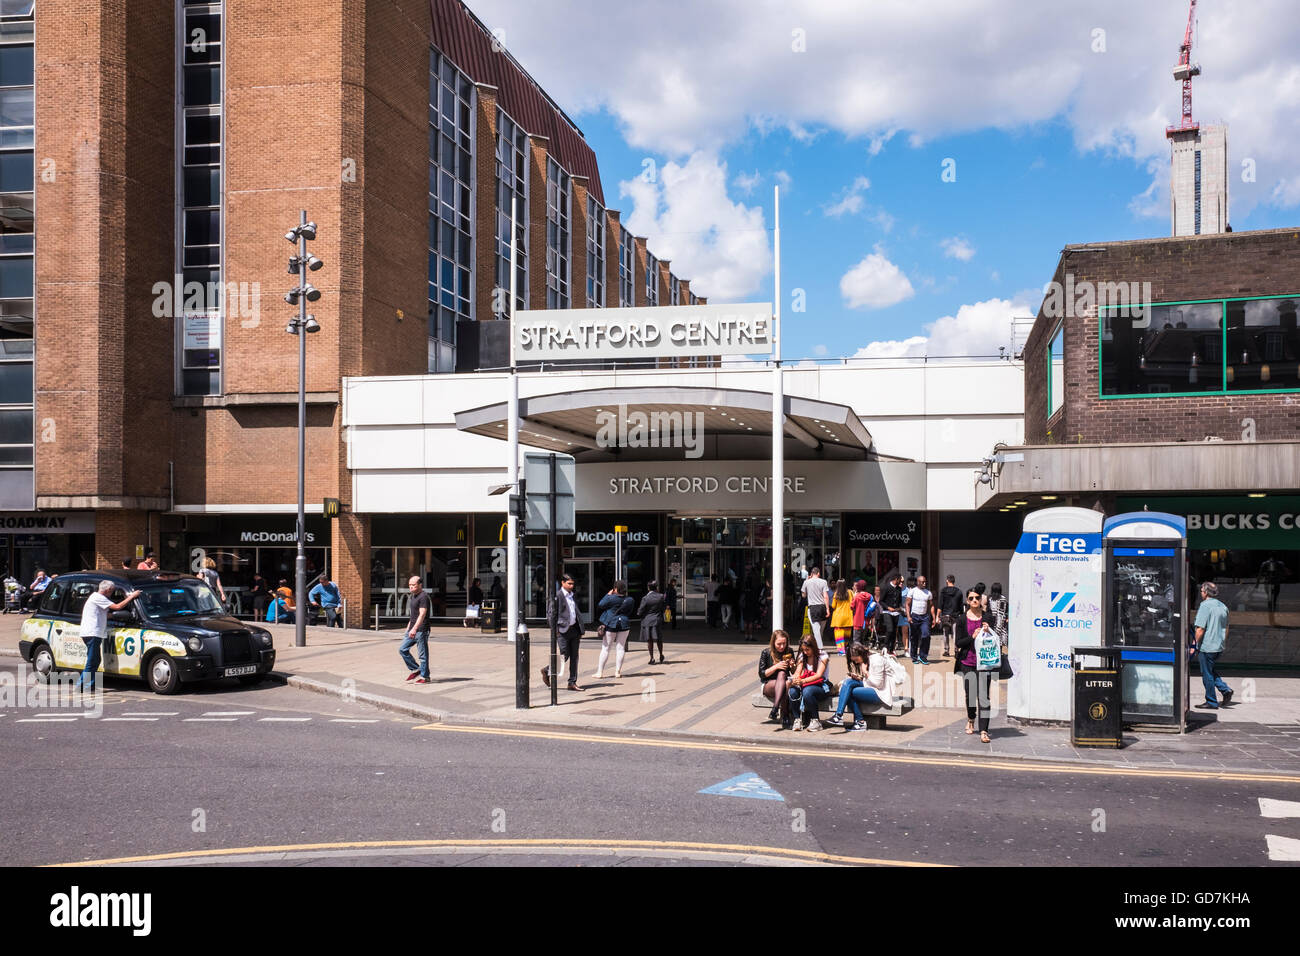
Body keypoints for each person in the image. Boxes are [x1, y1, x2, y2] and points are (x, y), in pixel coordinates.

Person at [77, 580, 142, 692]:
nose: (111, 594)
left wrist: (118, 616)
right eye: (111, 591)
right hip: (92, 633)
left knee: (96, 659)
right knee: (92, 660)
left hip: (91, 632)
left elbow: (105, 614)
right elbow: (117, 607)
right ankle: (81, 684)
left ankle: (90, 684)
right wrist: (132, 597)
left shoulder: (94, 597)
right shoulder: (99, 597)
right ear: (107, 590)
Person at [827, 641, 893, 731]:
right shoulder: (866, 659)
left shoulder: (877, 660)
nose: (855, 662)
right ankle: (839, 716)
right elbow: (870, 680)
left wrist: (865, 672)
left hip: (880, 693)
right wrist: (859, 678)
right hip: (870, 686)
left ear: (861, 654)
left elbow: (878, 684)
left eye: (856, 659)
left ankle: (858, 721)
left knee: (848, 692)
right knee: (848, 682)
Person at [956, 589, 994, 743]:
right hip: (968, 662)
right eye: (971, 598)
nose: (974, 600)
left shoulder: (988, 618)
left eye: (977, 598)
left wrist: (988, 630)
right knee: (971, 695)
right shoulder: (961, 619)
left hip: (985, 663)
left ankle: (984, 730)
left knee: (984, 697)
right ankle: (971, 719)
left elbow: (995, 639)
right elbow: (958, 642)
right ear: (967, 601)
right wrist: (972, 637)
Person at [1192, 581, 1233, 709]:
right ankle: (1225, 690)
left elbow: (1200, 629)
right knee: (1209, 670)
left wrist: (1193, 645)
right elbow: (1226, 627)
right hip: (1218, 646)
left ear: (1205, 592)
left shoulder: (1205, 606)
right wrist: (1222, 641)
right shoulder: (1222, 606)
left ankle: (1211, 701)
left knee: (1207, 674)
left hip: (1207, 646)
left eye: (1201, 591)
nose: (1200, 593)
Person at [542, 574, 584, 691]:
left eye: (572, 584)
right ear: (562, 583)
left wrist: (580, 629)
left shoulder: (573, 596)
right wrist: (555, 630)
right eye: (569, 583)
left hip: (574, 630)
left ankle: (572, 682)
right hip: (562, 630)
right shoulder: (557, 596)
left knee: (574, 657)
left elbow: (575, 612)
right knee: (564, 656)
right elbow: (550, 614)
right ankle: (547, 670)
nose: (571, 586)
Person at [787, 634, 830, 732]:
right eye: (803, 650)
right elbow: (798, 672)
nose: (805, 652)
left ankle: (816, 720)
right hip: (805, 685)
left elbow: (818, 675)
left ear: (813, 647)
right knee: (792, 691)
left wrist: (803, 681)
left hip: (821, 686)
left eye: (807, 650)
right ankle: (797, 719)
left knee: (807, 691)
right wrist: (794, 679)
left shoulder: (823, 656)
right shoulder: (803, 656)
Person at [595, 580, 635, 679]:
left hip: (611, 624)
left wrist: (608, 595)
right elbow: (630, 611)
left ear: (615, 589)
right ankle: (618, 671)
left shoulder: (611, 598)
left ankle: (600, 672)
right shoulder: (630, 599)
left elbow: (600, 605)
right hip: (624, 623)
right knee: (621, 648)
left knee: (606, 648)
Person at [758, 629, 797, 730]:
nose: (782, 646)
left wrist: (793, 665)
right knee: (782, 674)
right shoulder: (766, 653)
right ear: (773, 642)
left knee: (784, 676)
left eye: (784, 643)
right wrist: (776, 666)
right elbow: (762, 674)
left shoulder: (790, 651)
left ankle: (775, 709)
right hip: (769, 685)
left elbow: (794, 672)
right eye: (779, 644)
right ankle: (785, 715)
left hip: (785, 684)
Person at [399, 574, 431, 684]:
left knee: (422, 655)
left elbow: (422, 614)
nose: (411, 587)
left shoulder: (423, 597)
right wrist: (408, 628)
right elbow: (413, 615)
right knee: (402, 649)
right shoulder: (413, 596)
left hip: (421, 629)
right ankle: (415, 669)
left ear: (420, 585)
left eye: (413, 585)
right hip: (412, 629)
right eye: (409, 585)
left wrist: (414, 629)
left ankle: (425, 676)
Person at [906, 574, 936, 665]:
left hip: (925, 617)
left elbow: (931, 606)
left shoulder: (928, 593)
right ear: (918, 582)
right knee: (914, 637)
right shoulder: (912, 591)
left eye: (925, 582)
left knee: (926, 635)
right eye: (922, 582)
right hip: (914, 616)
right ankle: (914, 657)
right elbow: (907, 604)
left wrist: (934, 618)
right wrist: (908, 616)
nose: (924, 583)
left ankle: (923, 656)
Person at [801, 566, 830, 654]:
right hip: (822, 607)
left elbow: (803, 595)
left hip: (813, 607)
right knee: (820, 629)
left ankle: (819, 648)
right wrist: (828, 609)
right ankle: (818, 646)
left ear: (811, 574)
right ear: (818, 573)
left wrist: (806, 581)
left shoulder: (806, 582)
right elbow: (825, 596)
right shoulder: (823, 582)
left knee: (816, 629)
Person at [638, 580, 666, 665]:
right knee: (659, 639)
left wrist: (639, 613)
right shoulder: (661, 596)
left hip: (647, 621)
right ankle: (661, 655)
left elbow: (640, 611)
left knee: (649, 640)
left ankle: (652, 658)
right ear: (656, 587)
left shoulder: (645, 598)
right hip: (657, 620)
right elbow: (663, 608)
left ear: (648, 588)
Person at [877, 572, 903, 656]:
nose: (901, 582)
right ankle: (885, 647)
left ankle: (891, 650)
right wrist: (888, 607)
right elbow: (881, 601)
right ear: (896, 579)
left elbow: (899, 601)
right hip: (887, 612)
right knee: (890, 629)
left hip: (896, 612)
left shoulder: (899, 589)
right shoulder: (886, 587)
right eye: (900, 580)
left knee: (894, 631)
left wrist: (899, 608)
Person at [938, 574, 963, 658]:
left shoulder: (943, 591)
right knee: (955, 633)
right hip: (955, 615)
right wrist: (961, 614)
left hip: (945, 615)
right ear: (954, 581)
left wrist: (937, 616)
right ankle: (956, 650)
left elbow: (940, 605)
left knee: (945, 633)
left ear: (947, 581)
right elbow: (960, 605)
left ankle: (946, 650)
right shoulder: (959, 591)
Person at [829, 578, 853, 656]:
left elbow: (833, 606)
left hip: (838, 617)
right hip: (848, 617)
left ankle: (841, 651)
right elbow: (853, 603)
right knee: (846, 635)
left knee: (839, 635)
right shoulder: (850, 592)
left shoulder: (836, 593)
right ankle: (845, 648)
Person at [987, 582, 1009, 648]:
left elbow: (988, 610)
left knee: (991, 645)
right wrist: (998, 629)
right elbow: (1001, 613)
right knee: (999, 644)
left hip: (991, 622)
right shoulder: (1003, 599)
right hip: (1000, 622)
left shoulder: (990, 598)